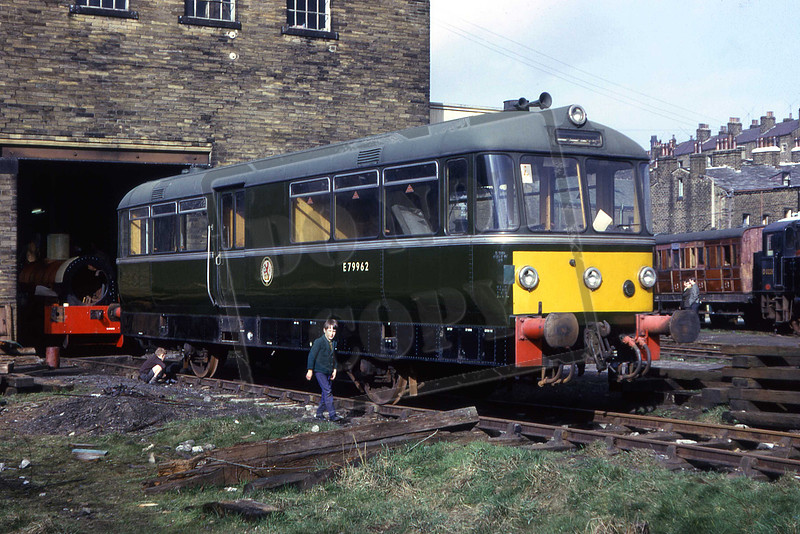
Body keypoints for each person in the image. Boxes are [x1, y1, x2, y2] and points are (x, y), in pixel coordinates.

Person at [306, 319, 343, 422]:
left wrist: (334, 369)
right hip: (320, 371)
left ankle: (319, 414)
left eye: (334, 331)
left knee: (325, 393)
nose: (332, 333)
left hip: (329, 371)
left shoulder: (334, 342)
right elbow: (311, 355)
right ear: (324, 330)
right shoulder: (319, 342)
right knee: (328, 391)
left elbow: (334, 357)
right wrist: (310, 370)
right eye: (329, 331)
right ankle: (332, 415)